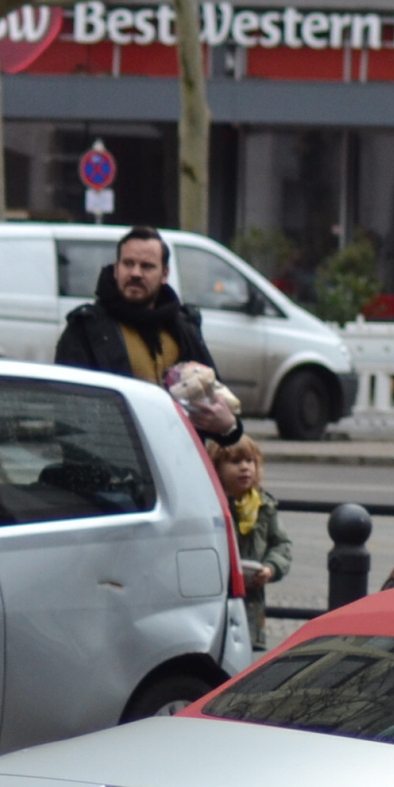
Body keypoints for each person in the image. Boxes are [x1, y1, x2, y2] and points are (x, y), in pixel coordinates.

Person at [57, 225, 241, 443]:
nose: (135, 273)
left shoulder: (184, 327)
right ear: (116, 269)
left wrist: (228, 426)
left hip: (176, 463)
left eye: (147, 266)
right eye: (128, 264)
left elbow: (217, 406)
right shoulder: (86, 328)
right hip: (116, 463)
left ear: (164, 274)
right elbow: (68, 413)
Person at [213, 435, 292, 649]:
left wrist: (270, 568)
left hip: (251, 605)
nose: (245, 468)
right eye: (236, 462)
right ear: (217, 467)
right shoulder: (212, 505)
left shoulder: (263, 506)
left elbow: (282, 545)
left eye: (250, 461)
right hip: (220, 600)